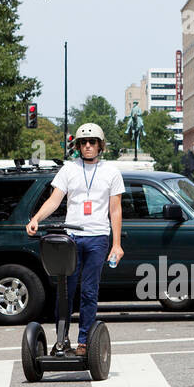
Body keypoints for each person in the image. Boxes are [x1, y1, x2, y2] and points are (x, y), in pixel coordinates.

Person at [24, 122, 124, 357]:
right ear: (78, 146)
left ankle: (84, 341)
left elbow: (116, 210)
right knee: (65, 290)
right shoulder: (69, 169)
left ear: (100, 145)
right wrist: (36, 218)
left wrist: (117, 244)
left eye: (92, 142)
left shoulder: (111, 172)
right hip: (72, 237)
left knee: (90, 291)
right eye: (83, 143)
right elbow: (54, 200)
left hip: (98, 237)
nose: (88, 146)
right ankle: (62, 339)